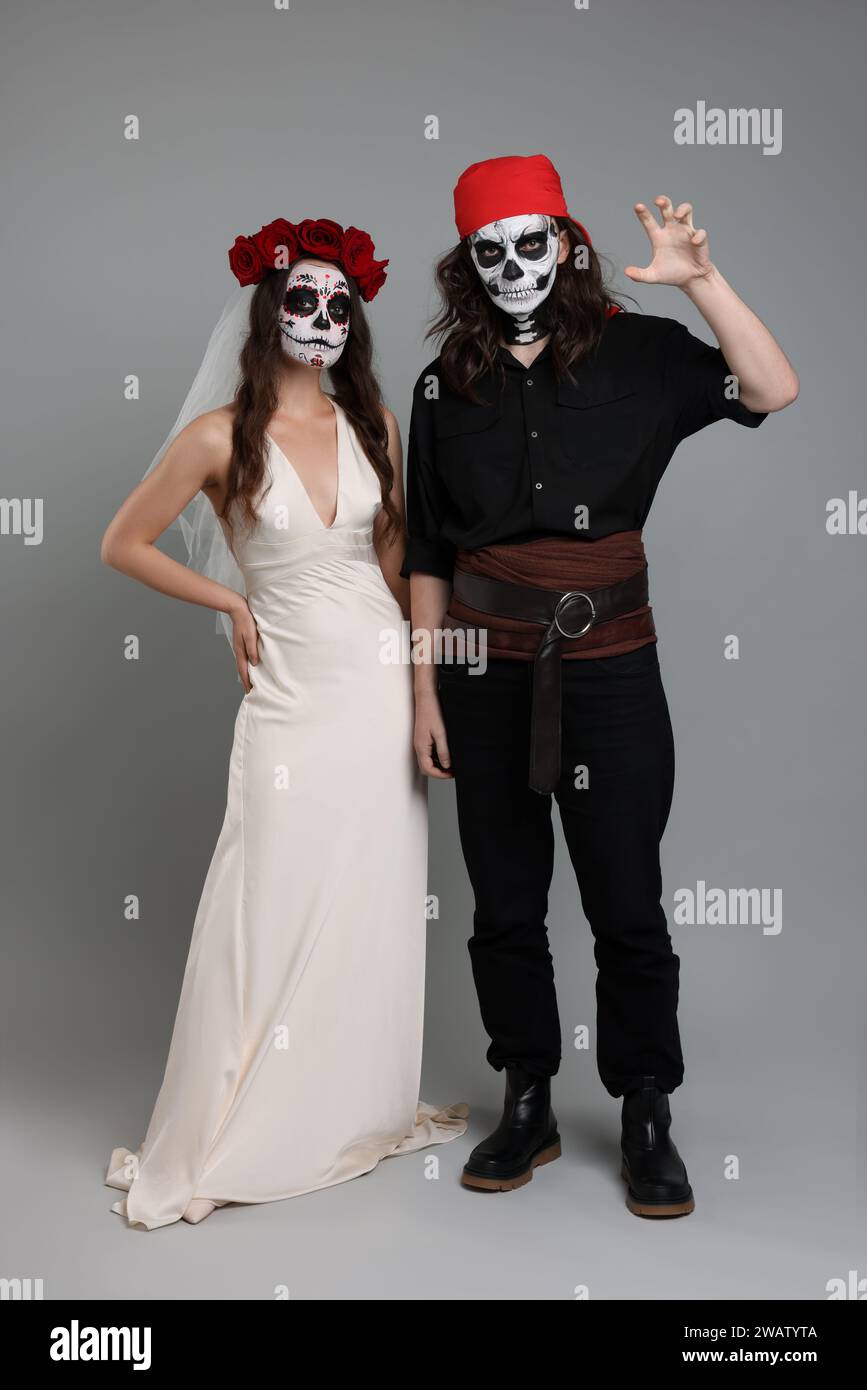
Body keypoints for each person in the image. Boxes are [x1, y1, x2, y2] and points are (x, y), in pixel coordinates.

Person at [402, 155, 798, 1216]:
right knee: (502, 901)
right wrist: (424, 691)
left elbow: (771, 388)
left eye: (533, 243)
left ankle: (646, 1108)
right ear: (468, 264)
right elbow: (429, 549)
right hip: (480, 666)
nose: (513, 266)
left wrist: (699, 279)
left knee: (627, 898)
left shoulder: (646, 351)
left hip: (612, 665)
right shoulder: (447, 383)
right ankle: (524, 1095)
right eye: (491, 251)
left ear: (568, 245)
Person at [101, 215, 467, 1230]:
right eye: (302, 300)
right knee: (264, 899)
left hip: (378, 682)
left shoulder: (377, 424)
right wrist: (228, 603)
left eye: (339, 304)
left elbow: (398, 571)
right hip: (292, 695)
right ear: (268, 310)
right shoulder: (219, 435)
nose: (321, 317)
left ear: (355, 319)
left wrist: (434, 685)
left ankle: (346, 1109)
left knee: (369, 896)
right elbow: (121, 541)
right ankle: (237, 1122)